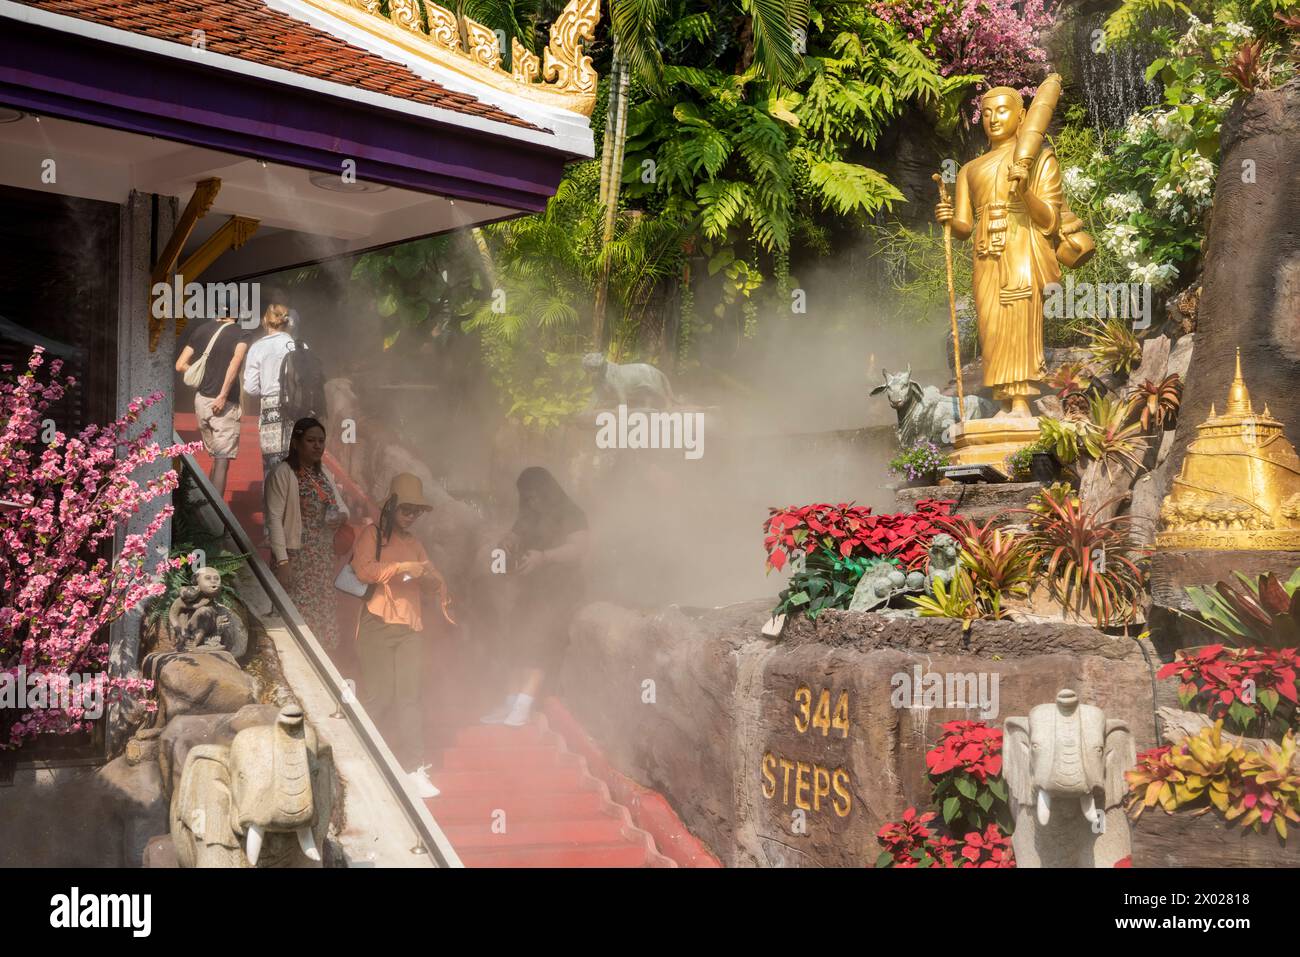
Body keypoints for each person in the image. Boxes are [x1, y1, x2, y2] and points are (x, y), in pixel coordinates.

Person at [351, 473, 447, 798]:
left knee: (410, 697)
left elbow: (436, 582)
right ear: (391, 506)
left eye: (416, 510)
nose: (410, 515)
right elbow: (363, 570)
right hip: (377, 624)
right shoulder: (372, 535)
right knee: (380, 696)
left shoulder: (416, 544)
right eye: (406, 508)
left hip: (410, 627)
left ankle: (413, 767)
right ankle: (357, 754)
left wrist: (428, 577)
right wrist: (405, 568)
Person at [481, 467, 589, 728]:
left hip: (559, 593)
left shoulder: (571, 514)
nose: (530, 502)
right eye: (526, 497)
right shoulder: (529, 514)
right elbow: (515, 535)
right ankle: (508, 705)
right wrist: (506, 542)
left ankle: (522, 706)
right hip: (529, 590)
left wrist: (544, 557)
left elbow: (580, 549)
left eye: (534, 496)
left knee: (538, 645)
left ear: (547, 492)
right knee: (516, 645)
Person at [265, 418, 348, 650]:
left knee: (322, 616)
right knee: (297, 619)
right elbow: (274, 519)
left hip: (321, 559)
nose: (317, 446)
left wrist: (339, 516)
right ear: (295, 443)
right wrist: (282, 562)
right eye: (311, 440)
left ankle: (322, 668)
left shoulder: (325, 474)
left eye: (321, 441)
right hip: (296, 558)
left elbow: (344, 508)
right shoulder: (283, 473)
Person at [175, 309, 255, 496]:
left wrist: (204, 378)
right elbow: (235, 362)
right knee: (222, 460)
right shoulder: (242, 334)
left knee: (215, 455)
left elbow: (180, 365)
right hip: (224, 405)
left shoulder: (202, 330)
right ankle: (216, 517)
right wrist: (223, 395)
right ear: (237, 314)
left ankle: (208, 505)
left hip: (201, 401)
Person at [242, 291, 295, 483]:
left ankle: (273, 510)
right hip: (295, 406)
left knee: (272, 465)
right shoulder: (294, 345)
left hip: (270, 406)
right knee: (293, 462)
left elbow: (250, 388)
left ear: (266, 319)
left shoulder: (258, 347)